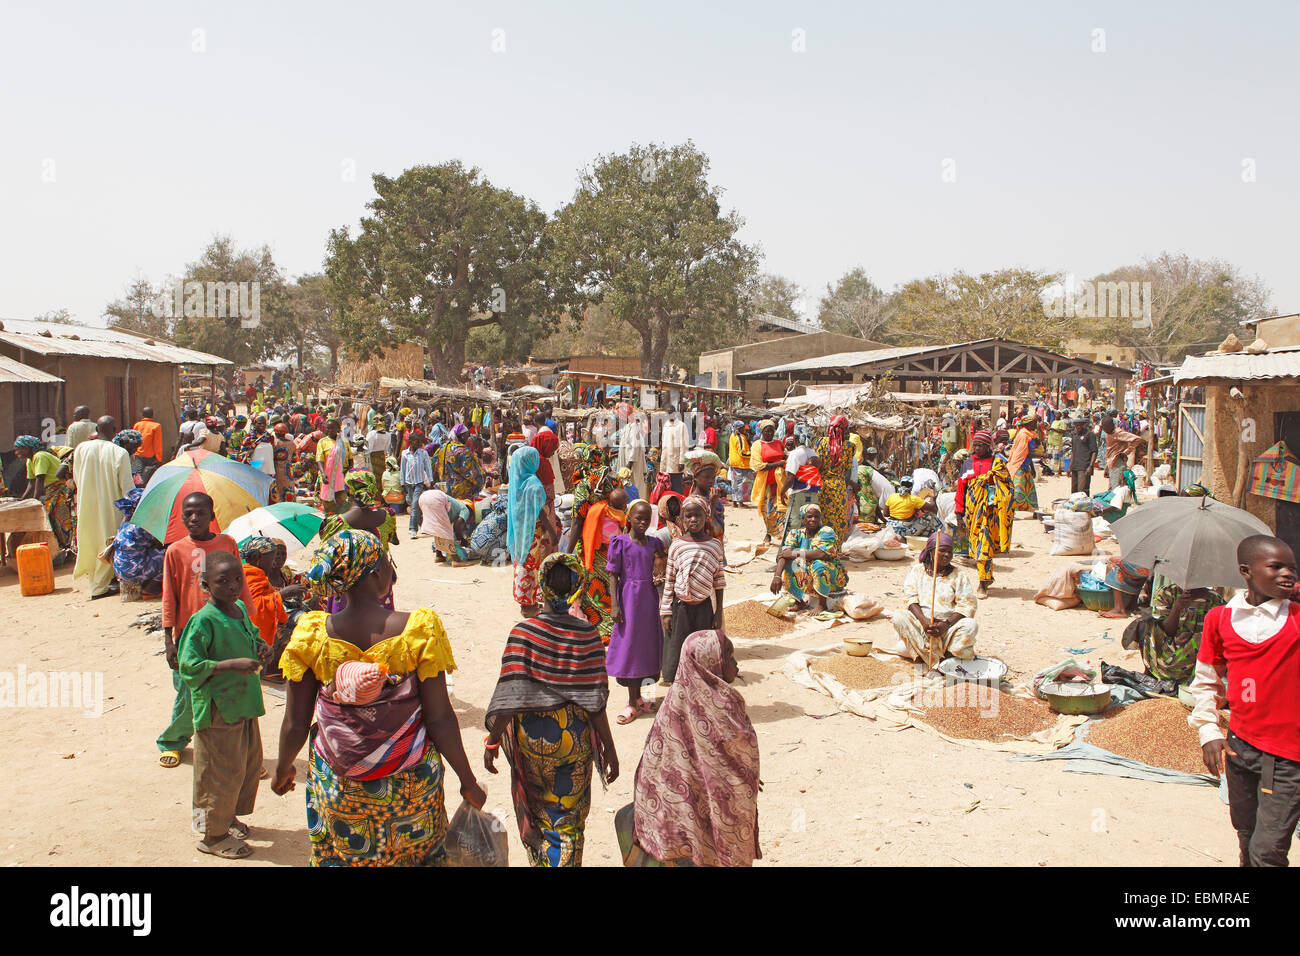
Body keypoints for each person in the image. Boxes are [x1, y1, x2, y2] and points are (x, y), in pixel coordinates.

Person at [273, 529, 486, 866]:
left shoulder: (312, 635)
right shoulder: (417, 630)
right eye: (387, 560)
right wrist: (468, 781)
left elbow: (296, 723)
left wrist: (284, 769)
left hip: (342, 788)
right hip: (412, 786)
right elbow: (440, 718)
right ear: (375, 573)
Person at [483, 552, 619, 867]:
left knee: (538, 812)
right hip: (576, 737)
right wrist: (609, 749)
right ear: (577, 588)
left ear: (541, 588)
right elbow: (595, 702)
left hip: (533, 740)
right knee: (568, 819)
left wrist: (492, 741)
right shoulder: (588, 635)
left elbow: (511, 694)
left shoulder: (523, 633)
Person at [1190, 535, 1300, 866]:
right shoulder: (1220, 619)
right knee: (1246, 835)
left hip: (1288, 757)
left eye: (1292, 568)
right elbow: (1206, 680)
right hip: (1240, 749)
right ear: (1246, 571)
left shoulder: (1295, 618)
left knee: (1268, 851)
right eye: (1276, 567)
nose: (1288, 574)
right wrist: (1209, 731)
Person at [616, 629, 759, 867]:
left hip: (669, 820)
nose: (736, 665)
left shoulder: (675, 703)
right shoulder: (723, 709)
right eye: (730, 658)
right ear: (709, 663)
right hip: (688, 816)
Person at [177, 550, 264, 859]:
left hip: (243, 703)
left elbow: (251, 635)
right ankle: (212, 836)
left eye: (236, 579)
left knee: (244, 766)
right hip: (218, 709)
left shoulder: (239, 608)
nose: (231, 586)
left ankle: (224, 818)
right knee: (218, 771)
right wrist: (229, 665)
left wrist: (262, 648)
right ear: (205, 584)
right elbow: (189, 665)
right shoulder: (203, 621)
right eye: (222, 581)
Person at [157, 493, 251, 769]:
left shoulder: (227, 544)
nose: (194, 518)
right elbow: (169, 595)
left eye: (200, 513)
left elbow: (242, 587)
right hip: (189, 634)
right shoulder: (175, 551)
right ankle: (172, 741)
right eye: (188, 513)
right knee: (189, 692)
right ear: (182, 517)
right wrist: (168, 639)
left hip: (227, 630)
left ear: (212, 516)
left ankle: (240, 754)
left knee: (232, 693)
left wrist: (251, 631)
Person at [607, 500, 666, 724]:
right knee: (630, 649)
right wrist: (614, 605)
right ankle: (632, 702)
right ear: (629, 519)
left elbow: (661, 571)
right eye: (638, 518)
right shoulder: (620, 543)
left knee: (649, 648)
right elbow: (613, 575)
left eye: (646, 519)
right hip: (629, 601)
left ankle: (646, 698)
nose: (642, 522)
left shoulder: (655, 544)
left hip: (649, 601)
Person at [885, 531, 979, 667]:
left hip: (947, 629)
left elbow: (967, 606)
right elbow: (910, 599)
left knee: (971, 625)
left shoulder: (958, 575)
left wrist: (945, 624)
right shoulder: (917, 571)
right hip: (922, 627)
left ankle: (932, 655)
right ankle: (938, 659)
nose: (947, 555)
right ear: (931, 551)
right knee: (899, 616)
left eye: (950, 551)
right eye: (942, 551)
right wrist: (924, 621)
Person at [659, 498, 726, 683]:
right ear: (683, 518)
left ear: (707, 516)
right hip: (680, 608)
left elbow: (719, 581)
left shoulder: (714, 546)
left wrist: (718, 612)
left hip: (703, 608)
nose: (693, 520)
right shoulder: (677, 545)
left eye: (698, 515)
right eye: (688, 516)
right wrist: (666, 612)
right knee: (676, 650)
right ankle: (678, 689)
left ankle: (698, 689)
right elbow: (670, 580)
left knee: (701, 652)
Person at [71, 416, 135, 599]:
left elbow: (77, 478)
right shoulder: (119, 452)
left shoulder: (81, 449)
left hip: (86, 502)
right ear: (115, 430)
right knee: (107, 540)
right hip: (110, 506)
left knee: (89, 538)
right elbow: (127, 488)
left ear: (97, 428)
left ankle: (96, 583)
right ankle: (100, 587)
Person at [1121, 582, 1226, 685]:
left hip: (1196, 653)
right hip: (1164, 648)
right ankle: (1151, 672)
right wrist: (1177, 608)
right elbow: (1164, 630)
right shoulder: (1166, 593)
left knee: (1205, 638)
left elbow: (1217, 631)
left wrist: (1193, 637)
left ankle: (1193, 681)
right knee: (1145, 624)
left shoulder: (1215, 599)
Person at [321, 471, 399, 608]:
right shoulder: (387, 517)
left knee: (346, 626)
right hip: (381, 582)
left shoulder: (335, 524)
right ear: (374, 489)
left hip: (348, 586)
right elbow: (394, 540)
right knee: (381, 626)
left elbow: (326, 557)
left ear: (348, 491)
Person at [568, 445, 621, 642]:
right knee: (612, 581)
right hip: (613, 540)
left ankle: (597, 628)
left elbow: (577, 519)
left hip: (591, 543)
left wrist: (568, 550)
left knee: (591, 584)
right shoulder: (614, 478)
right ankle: (614, 626)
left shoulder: (584, 483)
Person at [953, 429, 1013, 599]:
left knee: (984, 547)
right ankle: (986, 577)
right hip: (973, 514)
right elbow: (960, 489)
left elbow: (1007, 486)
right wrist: (959, 514)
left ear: (988, 446)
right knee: (977, 546)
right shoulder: (967, 464)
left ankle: (983, 582)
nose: (976, 448)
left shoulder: (997, 463)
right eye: (975, 445)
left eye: (980, 446)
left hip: (990, 512)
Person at [508, 445, 559, 616]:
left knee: (521, 562)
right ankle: (529, 605)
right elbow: (539, 513)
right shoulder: (534, 484)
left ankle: (524, 600)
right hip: (532, 532)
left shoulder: (517, 482)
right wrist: (552, 532)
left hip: (519, 530)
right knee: (530, 564)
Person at [770, 502, 848, 612]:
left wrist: (794, 553)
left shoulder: (826, 532)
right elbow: (784, 555)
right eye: (809, 516)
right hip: (810, 575)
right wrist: (777, 576)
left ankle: (822, 604)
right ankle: (799, 601)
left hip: (832, 576)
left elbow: (821, 554)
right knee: (791, 564)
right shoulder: (795, 533)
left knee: (818, 564)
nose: (813, 519)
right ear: (803, 519)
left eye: (816, 517)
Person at [14, 435, 73, 553]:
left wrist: (34, 502)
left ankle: (69, 548)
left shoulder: (40, 456)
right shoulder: (30, 460)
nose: (16, 452)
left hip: (60, 489)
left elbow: (39, 482)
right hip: (51, 491)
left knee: (61, 520)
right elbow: (31, 484)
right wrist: (21, 500)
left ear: (27, 448)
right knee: (52, 519)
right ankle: (63, 548)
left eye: (18, 448)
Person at [102, 490, 166, 598]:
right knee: (167, 555)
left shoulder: (127, 521)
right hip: (132, 569)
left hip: (120, 568)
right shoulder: (143, 524)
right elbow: (160, 542)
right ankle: (151, 589)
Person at [813, 415, 858, 546]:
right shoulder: (850, 447)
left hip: (823, 486)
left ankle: (821, 549)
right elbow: (847, 469)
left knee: (822, 518)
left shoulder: (820, 443)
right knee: (838, 520)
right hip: (839, 487)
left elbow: (818, 465)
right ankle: (835, 550)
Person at [748, 419, 787, 542]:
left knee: (781, 508)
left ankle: (781, 534)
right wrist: (778, 463)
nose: (770, 432)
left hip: (780, 481)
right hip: (766, 482)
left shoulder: (779, 443)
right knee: (767, 510)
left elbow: (785, 456)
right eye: (767, 430)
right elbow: (758, 465)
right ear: (761, 431)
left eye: (772, 430)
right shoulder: (757, 445)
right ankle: (769, 532)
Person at [780, 434, 820, 542]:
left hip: (799, 494)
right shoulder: (813, 453)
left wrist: (782, 492)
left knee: (794, 524)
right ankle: (808, 550)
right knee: (810, 524)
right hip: (814, 493)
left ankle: (790, 552)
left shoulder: (795, 454)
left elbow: (790, 477)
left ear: (796, 439)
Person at [419, 487, 472, 562]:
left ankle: (439, 556)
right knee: (447, 532)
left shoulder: (455, 508)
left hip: (423, 498)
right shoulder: (465, 510)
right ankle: (456, 560)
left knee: (436, 528)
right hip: (436, 498)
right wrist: (463, 541)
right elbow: (457, 528)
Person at [400, 427, 434, 540]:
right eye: (416, 441)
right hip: (409, 483)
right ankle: (424, 525)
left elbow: (428, 468)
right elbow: (403, 469)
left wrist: (431, 480)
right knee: (415, 506)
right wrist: (402, 483)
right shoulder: (405, 454)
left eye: (419, 442)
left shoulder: (423, 453)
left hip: (419, 483)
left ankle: (412, 529)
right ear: (411, 442)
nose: (418, 443)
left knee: (414, 505)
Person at [437, 423, 485, 500]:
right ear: (462, 436)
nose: (468, 437)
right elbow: (470, 472)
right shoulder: (462, 451)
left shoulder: (443, 447)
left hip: (446, 488)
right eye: (467, 435)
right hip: (461, 492)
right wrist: (480, 482)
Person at [1006, 413, 1041, 513]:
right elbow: (1025, 453)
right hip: (1018, 466)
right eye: (1034, 423)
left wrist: (1032, 468)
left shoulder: (1030, 435)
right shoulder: (1023, 435)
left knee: (1030, 489)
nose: (1035, 425)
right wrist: (1043, 456)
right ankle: (1011, 510)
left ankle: (1034, 510)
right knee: (1018, 489)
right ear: (1028, 424)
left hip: (1025, 466)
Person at [315, 418, 351, 514]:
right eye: (327, 428)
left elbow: (350, 459)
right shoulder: (322, 442)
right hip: (327, 478)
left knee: (342, 503)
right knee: (328, 504)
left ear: (338, 429)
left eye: (331, 428)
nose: (329, 430)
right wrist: (323, 474)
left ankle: (340, 523)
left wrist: (347, 473)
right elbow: (319, 459)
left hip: (341, 479)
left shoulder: (344, 442)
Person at [1100, 416, 1146, 491]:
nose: (1104, 430)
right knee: (1111, 488)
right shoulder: (1109, 433)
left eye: (1105, 428)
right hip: (1111, 462)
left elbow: (1137, 439)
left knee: (1117, 488)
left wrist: (1126, 451)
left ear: (1110, 426)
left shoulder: (1118, 433)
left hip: (1117, 462)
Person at [856, 447, 893, 525]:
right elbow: (885, 513)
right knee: (867, 502)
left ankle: (868, 522)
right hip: (862, 472)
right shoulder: (890, 497)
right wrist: (885, 520)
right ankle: (866, 522)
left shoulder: (888, 492)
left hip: (864, 472)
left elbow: (875, 504)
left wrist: (884, 521)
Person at [660, 412, 690, 493]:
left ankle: (679, 502)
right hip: (666, 460)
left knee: (677, 486)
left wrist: (682, 461)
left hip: (676, 462)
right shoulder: (666, 425)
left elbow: (684, 445)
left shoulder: (681, 425)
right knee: (666, 485)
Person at [726, 421, 754, 506]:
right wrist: (752, 454)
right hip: (741, 463)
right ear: (739, 429)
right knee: (742, 482)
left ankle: (735, 501)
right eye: (743, 428)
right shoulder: (740, 437)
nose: (744, 429)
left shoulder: (732, 436)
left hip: (734, 462)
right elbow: (742, 452)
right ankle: (741, 502)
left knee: (735, 482)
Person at [1068, 416, 1098, 496]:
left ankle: (1083, 508)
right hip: (1075, 466)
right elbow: (1073, 451)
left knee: (1082, 491)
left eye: (1080, 425)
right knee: (1074, 491)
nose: (1078, 427)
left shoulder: (1089, 435)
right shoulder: (1074, 435)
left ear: (1084, 425)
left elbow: (1094, 452)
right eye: (1076, 425)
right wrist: (1070, 466)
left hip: (1084, 466)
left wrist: (1090, 466)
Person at [132, 406, 163, 473]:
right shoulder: (156, 426)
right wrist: (159, 459)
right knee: (150, 477)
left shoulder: (137, 425)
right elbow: (157, 443)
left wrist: (133, 454)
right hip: (151, 457)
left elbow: (134, 442)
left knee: (138, 477)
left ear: (143, 415)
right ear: (152, 415)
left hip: (138, 456)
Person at [365, 413, 390, 478]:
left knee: (373, 475)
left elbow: (369, 448)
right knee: (381, 475)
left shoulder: (372, 434)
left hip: (373, 457)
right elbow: (386, 449)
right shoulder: (388, 434)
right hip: (381, 456)